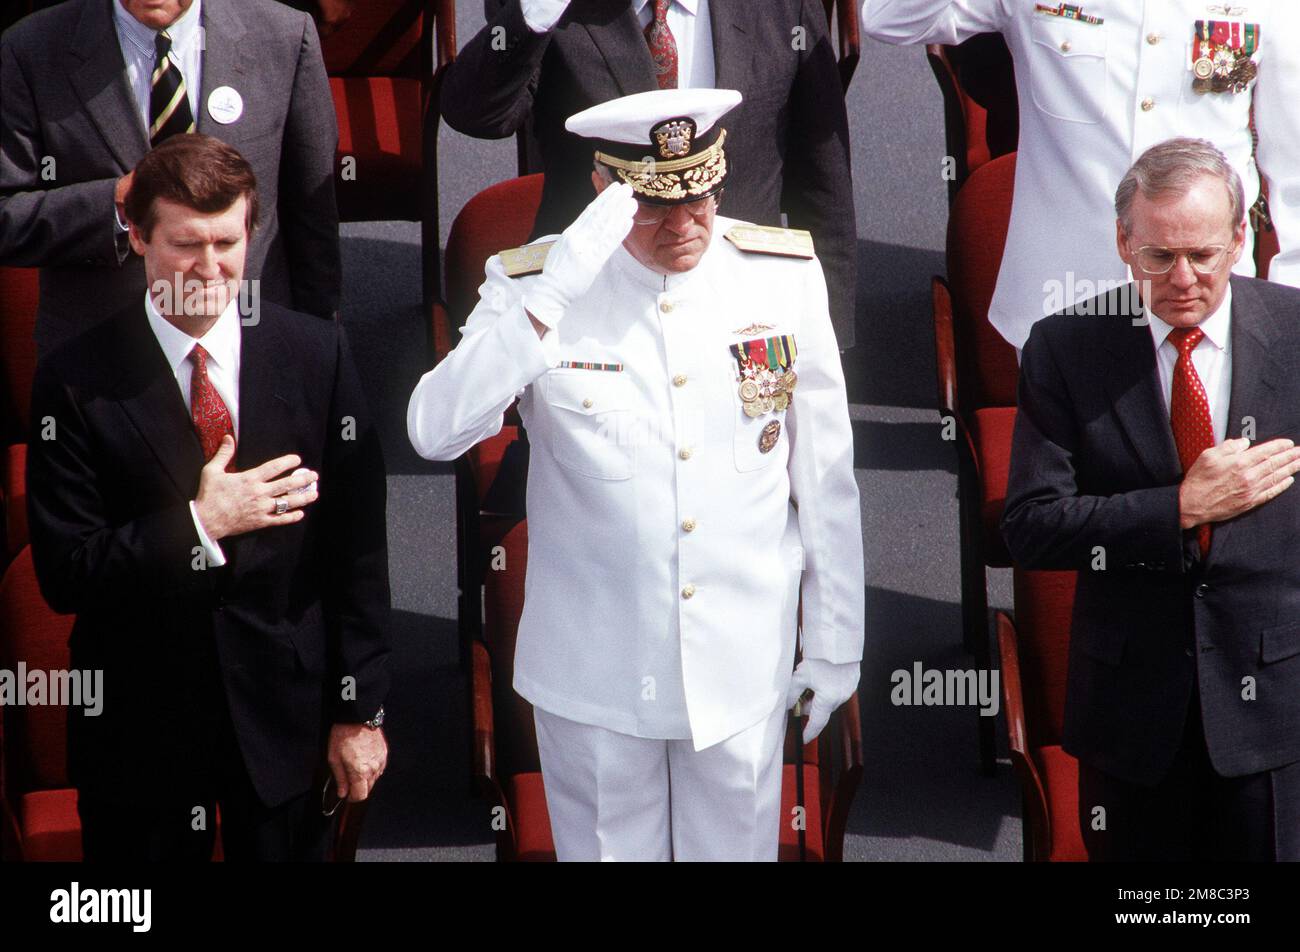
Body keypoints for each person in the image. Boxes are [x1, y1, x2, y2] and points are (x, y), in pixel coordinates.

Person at [408, 88, 864, 861]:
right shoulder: (535, 287)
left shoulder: (780, 278)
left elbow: (823, 475)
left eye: (701, 197)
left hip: (739, 664)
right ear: (605, 194)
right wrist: (553, 297)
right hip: (597, 676)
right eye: (655, 207)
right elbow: (435, 430)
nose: (684, 226)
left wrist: (835, 640)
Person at [25, 134, 389, 861]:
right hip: (142, 733)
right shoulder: (73, 380)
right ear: (134, 235)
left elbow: (358, 553)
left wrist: (359, 711)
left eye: (228, 242)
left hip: (287, 721)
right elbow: (66, 573)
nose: (210, 268)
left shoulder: (317, 355)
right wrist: (201, 523)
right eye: (186, 244)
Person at [1001, 138, 1300, 860]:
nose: (1183, 279)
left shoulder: (1296, 336)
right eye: (1158, 256)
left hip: (1275, 710)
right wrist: (1178, 508)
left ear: (1239, 240)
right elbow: (1031, 528)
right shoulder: (1066, 347)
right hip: (1133, 719)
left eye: (1202, 254)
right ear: (1122, 242)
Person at [860, 1, 1300, 352]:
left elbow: (1293, 172)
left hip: (1206, 299)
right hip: (1065, 300)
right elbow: (889, 16)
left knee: (1212, 461)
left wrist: (1287, 313)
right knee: (1062, 467)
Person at [441, 0, 859, 349]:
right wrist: (534, 13)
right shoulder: (555, 6)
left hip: (741, 304)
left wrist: (827, 342)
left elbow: (823, 184)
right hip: (595, 307)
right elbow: (476, 115)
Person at [0, 0, 341, 354]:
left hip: (252, 342)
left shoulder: (284, 36)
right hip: (104, 356)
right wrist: (116, 204)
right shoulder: (32, 48)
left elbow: (313, 224)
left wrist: (319, 350)